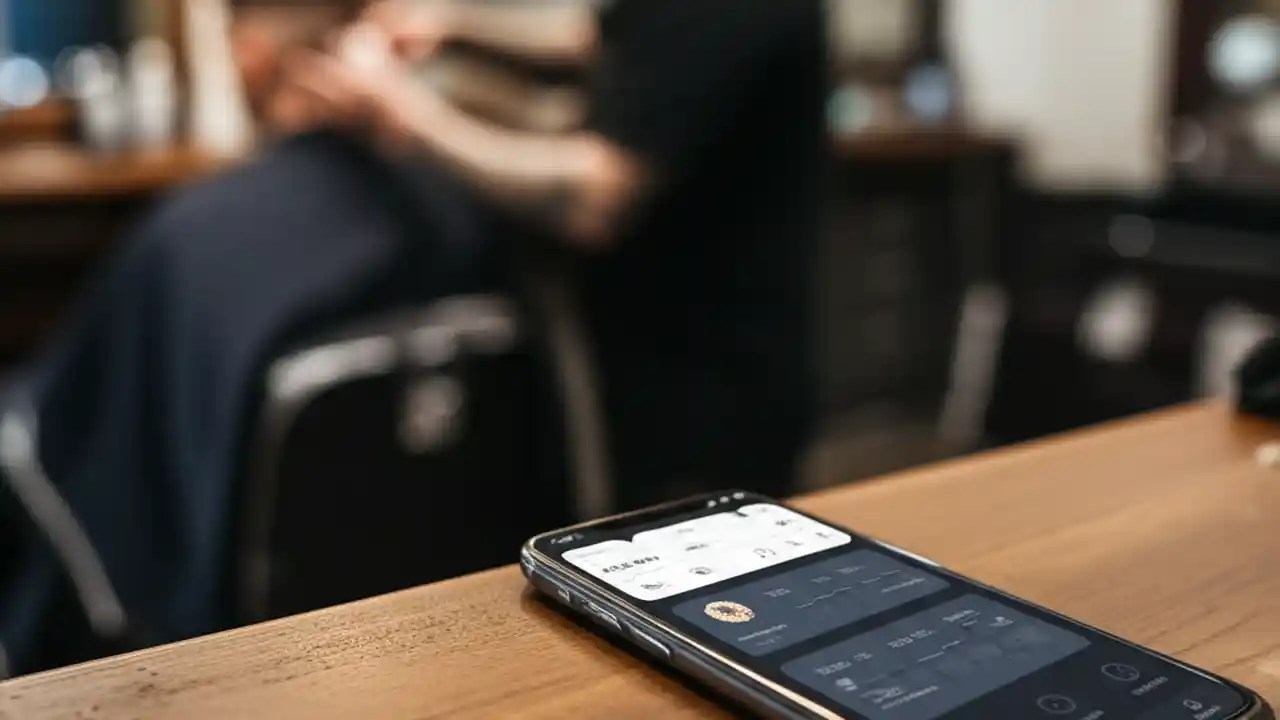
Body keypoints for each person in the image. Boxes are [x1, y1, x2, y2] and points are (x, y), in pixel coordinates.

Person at [0, 0, 827, 674]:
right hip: (454, 613)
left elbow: (594, 196)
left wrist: (410, 112)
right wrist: (456, 26)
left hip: (714, 383)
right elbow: (610, 54)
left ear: (248, 54)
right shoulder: (449, 221)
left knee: (719, 638)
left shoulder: (191, 241)